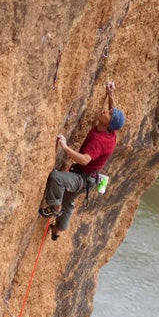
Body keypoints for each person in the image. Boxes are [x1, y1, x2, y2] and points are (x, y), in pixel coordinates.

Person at [39, 82, 126, 240]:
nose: (105, 111)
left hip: (82, 177)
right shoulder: (110, 131)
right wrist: (110, 95)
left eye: (108, 113)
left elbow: (85, 160)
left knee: (57, 178)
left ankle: (55, 208)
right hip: (89, 178)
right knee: (69, 202)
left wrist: (65, 147)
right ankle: (57, 231)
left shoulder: (99, 140)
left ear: (109, 123)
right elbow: (114, 116)